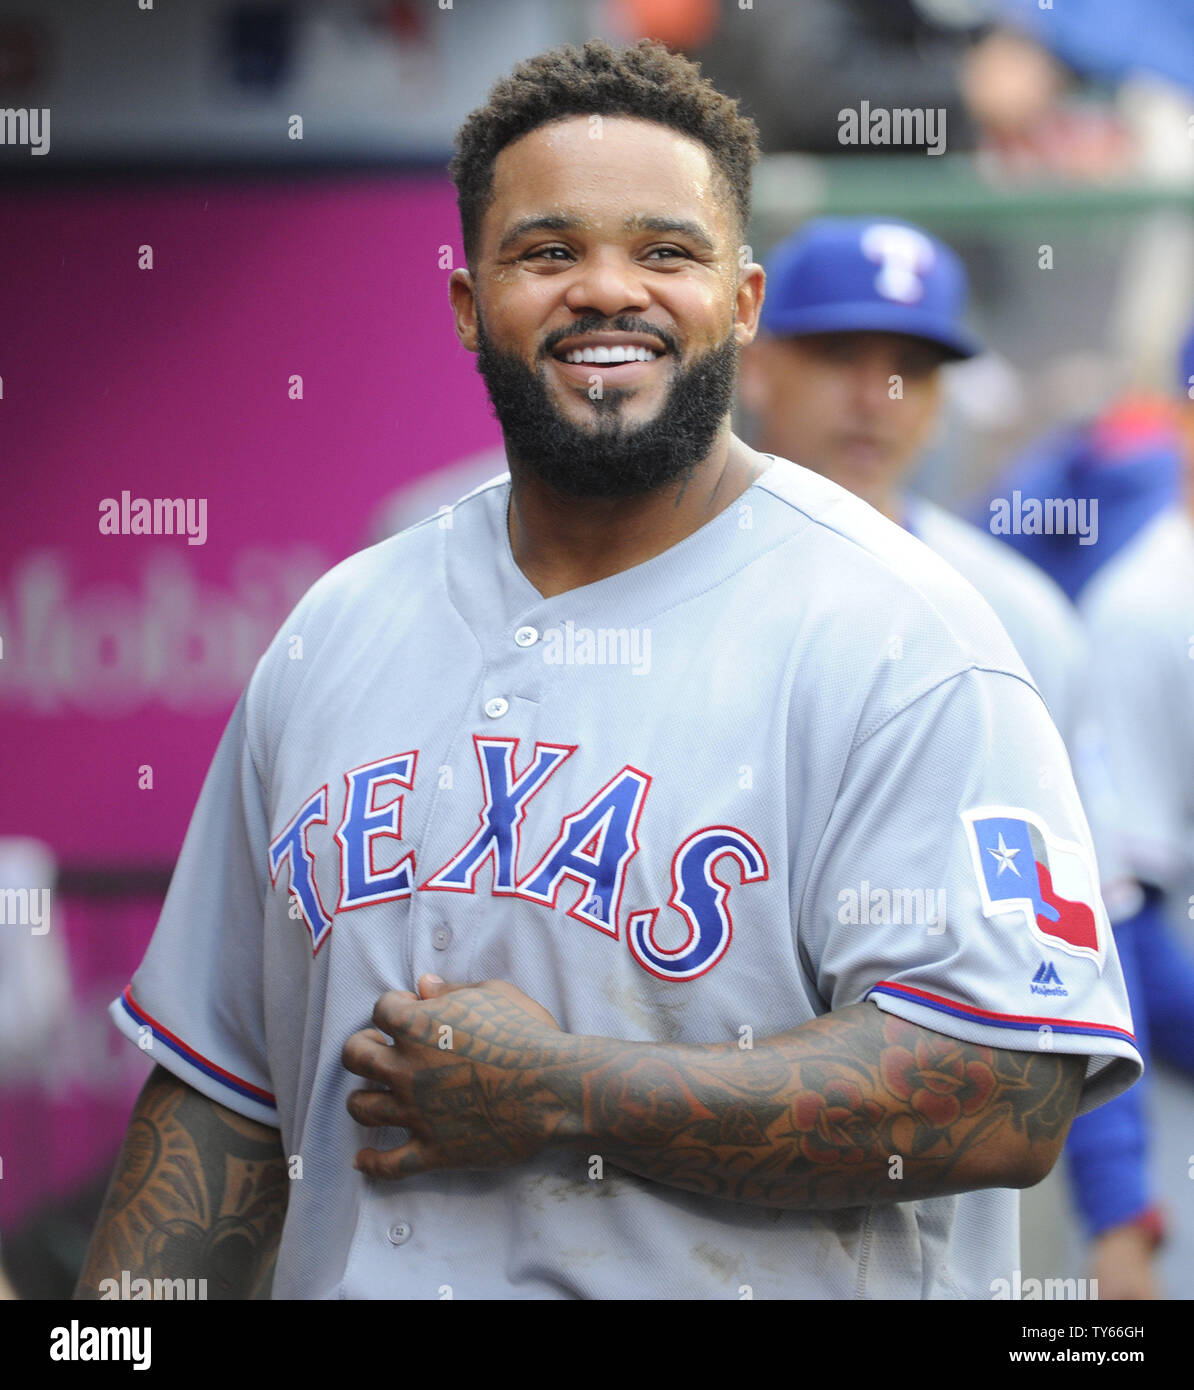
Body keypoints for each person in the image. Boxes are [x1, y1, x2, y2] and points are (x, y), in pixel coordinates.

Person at [77, 39, 1139, 1301]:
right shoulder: (335, 629)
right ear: (470, 304)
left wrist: (560, 1093)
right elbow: (221, 1093)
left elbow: (1003, 1095)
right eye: (548, 251)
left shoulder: (907, 636)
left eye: (665, 251)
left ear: (741, 303)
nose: (607, 291)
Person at [737, 216, 1163, 1296]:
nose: (876, 395)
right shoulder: (664, 589)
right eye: (841, 355)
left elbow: (1087, 925)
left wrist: (1124, 1215)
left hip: (949, 1207)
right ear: (755, 357)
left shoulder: (1020, 616)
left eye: (913, 367)